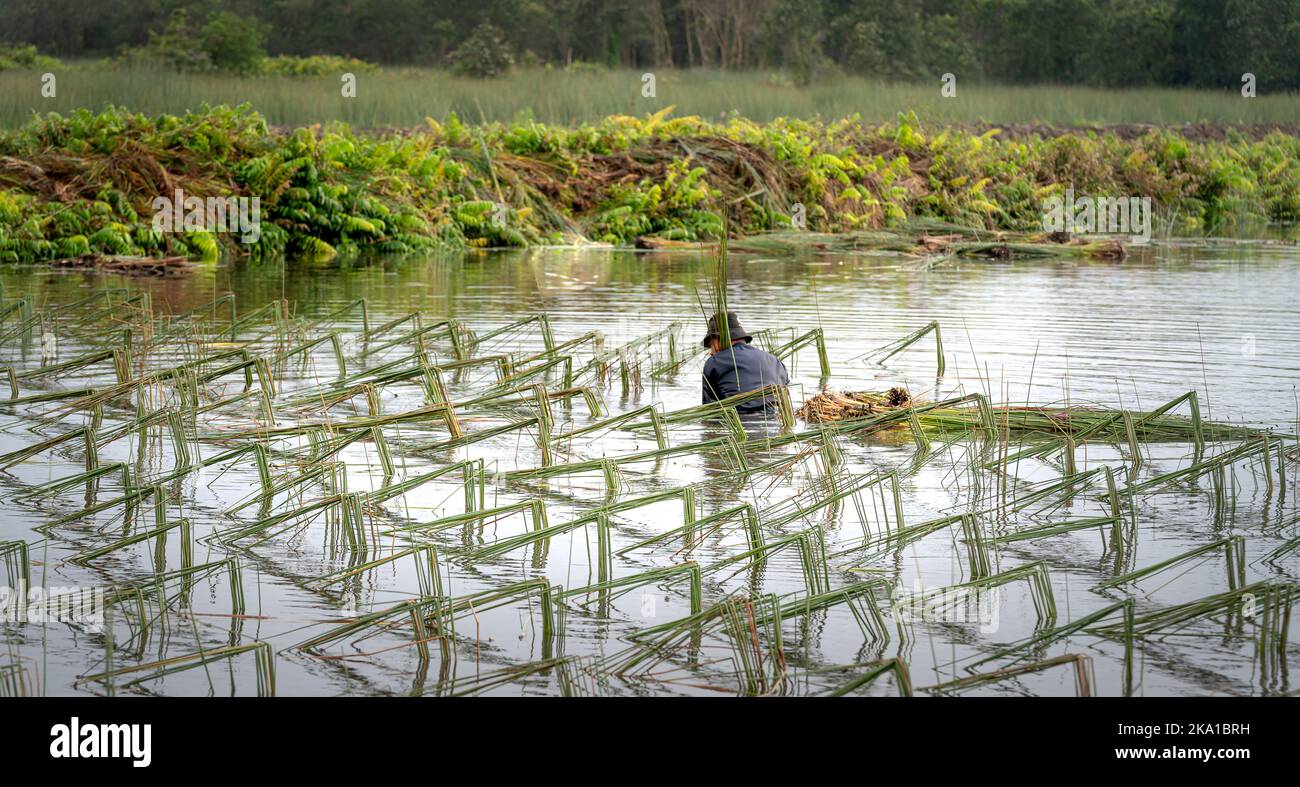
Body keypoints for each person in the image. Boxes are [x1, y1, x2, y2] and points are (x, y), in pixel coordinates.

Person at [701, 311, 790, 412]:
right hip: (773, 423)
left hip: (737, 422)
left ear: (716, 339)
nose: (710, 353)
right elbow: (785, 405)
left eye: (710, 344)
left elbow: (709, 411)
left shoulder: (714, 362)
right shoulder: (777, 362)